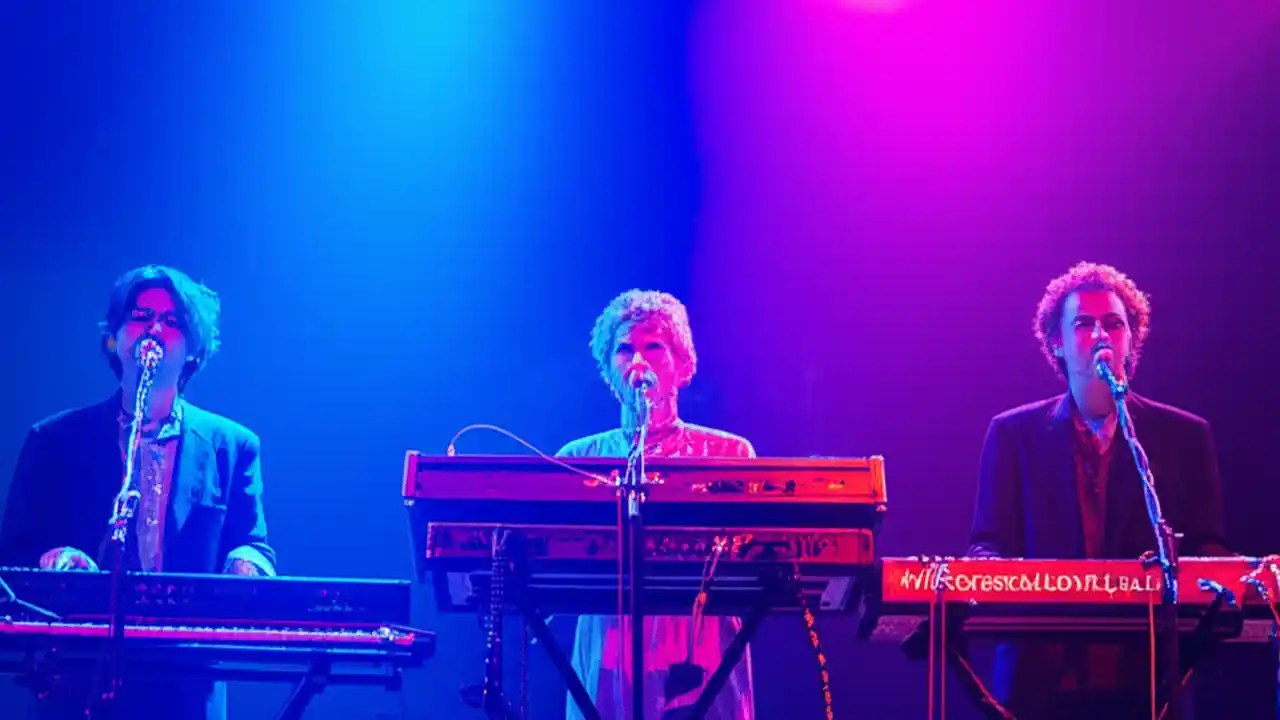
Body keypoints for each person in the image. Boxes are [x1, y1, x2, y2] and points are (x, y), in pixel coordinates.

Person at [0, 264, 276, 720]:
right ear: (114, 338)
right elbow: (15, 554)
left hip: (188, 679)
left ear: (193, 349)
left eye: (171, 321)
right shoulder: (52, 440)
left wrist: (245, 565)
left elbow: (254, 543)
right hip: (76, 675)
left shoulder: (235, 446)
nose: (154, 328)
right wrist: (55, 558)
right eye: (141, 315)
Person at [967, 261, 1230, 719]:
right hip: (1038, 682)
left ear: (1131, 339)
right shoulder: (1013, 435)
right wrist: (992, 575)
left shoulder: (1184, 437)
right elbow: (988, 544)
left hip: (1149, 685)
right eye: (1083, 324)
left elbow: (1210, 550)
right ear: (1058, 343)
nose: (1101, 334)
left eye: (1114, 323)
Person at [557, 289, 756, 720]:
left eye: (654, 347)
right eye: (624, 350)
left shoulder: (729, 453)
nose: (638, 361)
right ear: (609, 369)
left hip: (700, 633)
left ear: (682, 365)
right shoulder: (580, 457)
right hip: (609, 632)